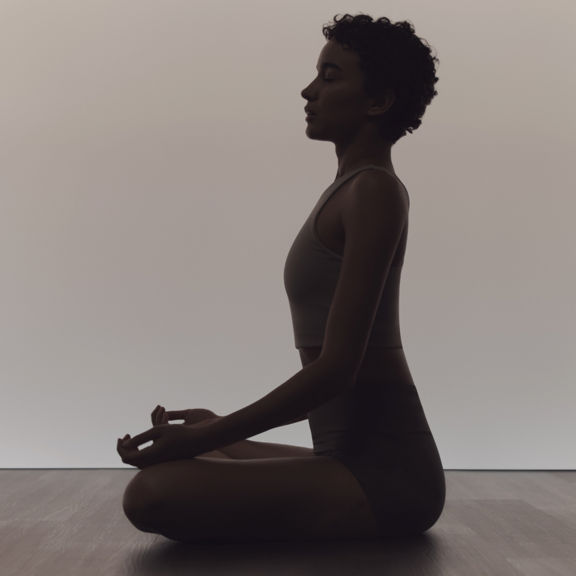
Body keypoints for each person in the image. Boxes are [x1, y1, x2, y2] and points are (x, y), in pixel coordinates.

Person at [118, 13, 445, 543]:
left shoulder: (375, 192)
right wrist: (211, 427)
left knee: (150, 494)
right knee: (196, 450)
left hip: (388, 476)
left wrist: (210, 434)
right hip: (343, 456)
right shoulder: (351, 189)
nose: (308, 90)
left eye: (330, 77)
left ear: (378, 101)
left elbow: (338, 370)